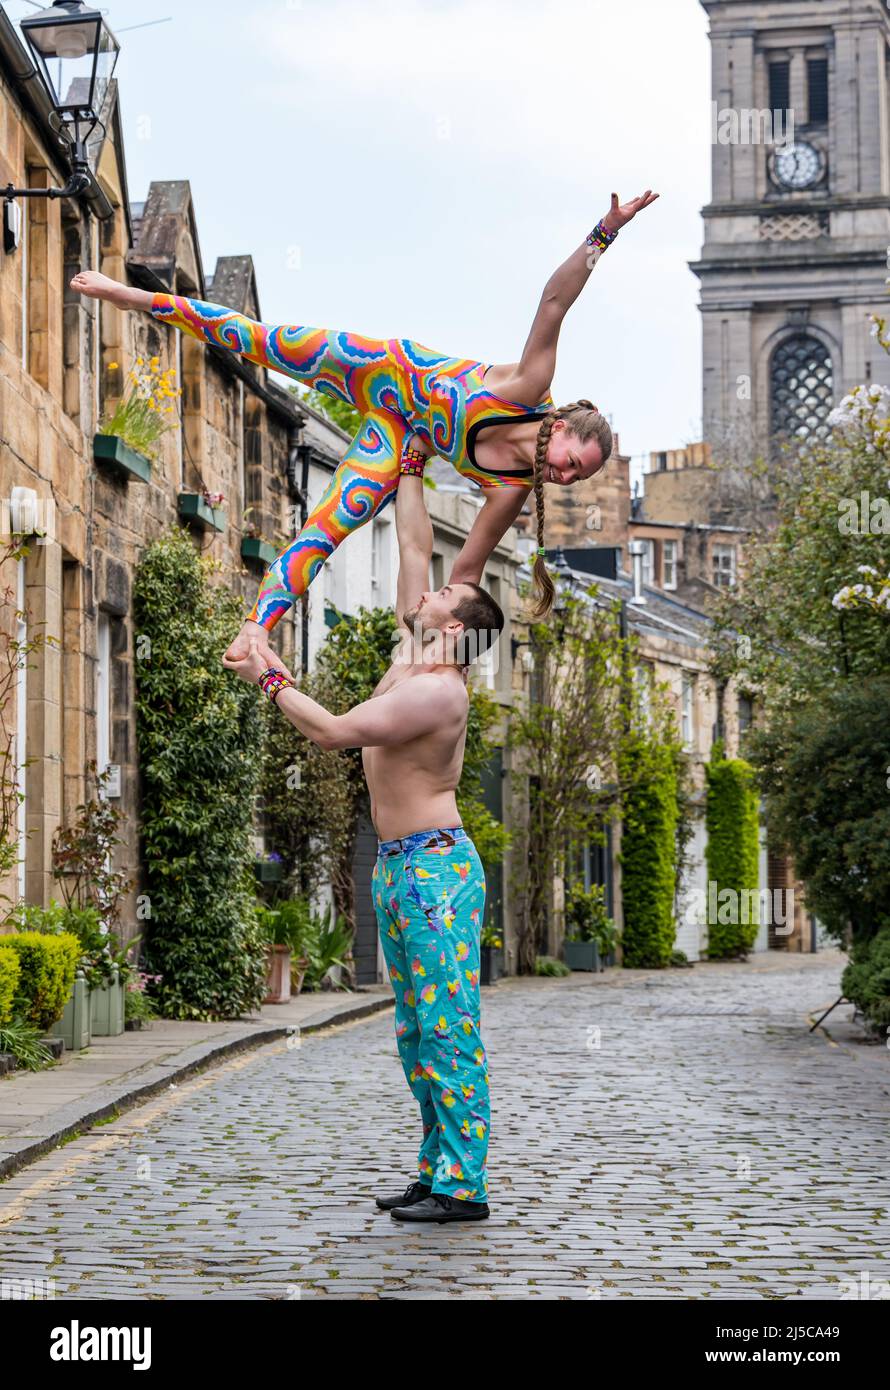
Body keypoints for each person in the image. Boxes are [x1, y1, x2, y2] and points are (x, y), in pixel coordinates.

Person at [70, 188, 658, 678]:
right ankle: (132, 293)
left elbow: (464, 580)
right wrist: (605, 231)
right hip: (386, 369)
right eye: (569, 458)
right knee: (261, 340)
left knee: (330, 524)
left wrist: (440, 659)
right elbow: (555, 301)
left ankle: (257, 627)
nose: (563, 473)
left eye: (575, 476)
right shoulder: (529, 387)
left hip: (396, 437)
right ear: (561, 426)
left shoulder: (508, 491)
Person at [222, 460, 501, 1224]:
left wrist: (269, 678)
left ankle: (464, 1188)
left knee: (449, 1030)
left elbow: (334, 735)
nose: (429, 588)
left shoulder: (437, 691)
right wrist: (407, 462)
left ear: (456, 628)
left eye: (444, 594)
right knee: (416, 1033)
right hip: (400, 868)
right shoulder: (412, 657)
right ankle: (437, 1171)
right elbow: (414, 545)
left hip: (436, 875)